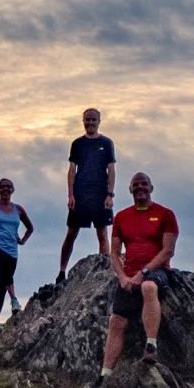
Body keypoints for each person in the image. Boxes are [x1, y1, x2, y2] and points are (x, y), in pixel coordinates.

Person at [101, 171, 179, 378]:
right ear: (130, 190)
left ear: (151, 188)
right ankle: (105, 374)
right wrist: (122, 277)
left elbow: (168, 250)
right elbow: (115, 254)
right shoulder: (121, 217)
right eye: (136, 185)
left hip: (157, 271)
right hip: (129, 276)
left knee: (148, 286)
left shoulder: (165, 214)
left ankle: (151, 346)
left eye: (144, 184)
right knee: (116, 321)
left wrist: (144, 272)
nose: (140, 188)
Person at [57, 107, 116, 284]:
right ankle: (61, 271)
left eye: (93, 120)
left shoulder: (106, 143)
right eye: (87, 120)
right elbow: (72, 170)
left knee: (102, 233)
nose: (90, 123)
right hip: (81, 193)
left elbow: (111, 169)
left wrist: (109, 194)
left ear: (99, 121)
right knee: (71, 232)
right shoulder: (77, 143)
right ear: (83, 121)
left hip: (100, 193)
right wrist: (70, 195)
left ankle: (104, 270)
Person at [0, 178, 34, 326]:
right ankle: (14, 298)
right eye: (2, 187)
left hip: (13, 250)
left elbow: (30, 228)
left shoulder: (19, 209)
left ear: (12, 190)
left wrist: (22, 240)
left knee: (2, 283)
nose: (5, 189)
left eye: (8, 187)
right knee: (4, 267)